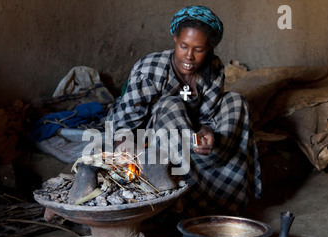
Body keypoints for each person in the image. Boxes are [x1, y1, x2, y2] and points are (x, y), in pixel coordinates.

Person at [106, 5, 262, 214]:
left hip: (191, 139)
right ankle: (174, 197)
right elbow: (124, 127)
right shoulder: (150, 69)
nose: (189, 56)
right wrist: (133, 154)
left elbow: (208, 116)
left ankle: (225, 199)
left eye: (198, 50)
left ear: (209, 49)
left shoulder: (213, 68)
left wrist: (207, 131)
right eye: (183, 46)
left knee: (236, 101)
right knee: (170, 104)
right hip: (152, 141)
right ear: (174, 39)